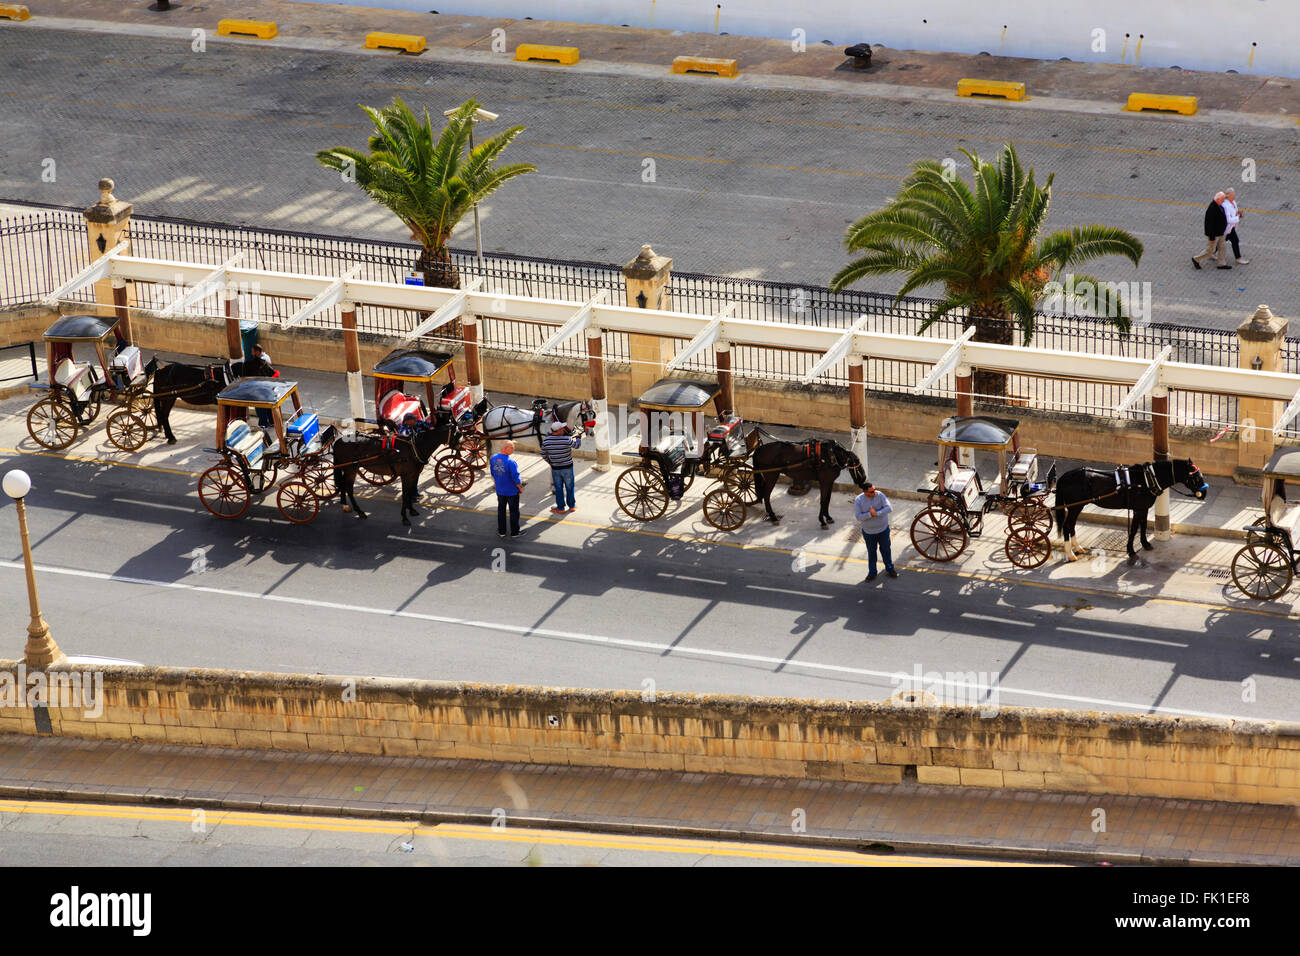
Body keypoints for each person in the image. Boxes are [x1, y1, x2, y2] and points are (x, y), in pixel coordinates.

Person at [854, 481, 897, 581]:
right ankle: (872, 572)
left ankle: (890, 568)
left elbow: (889, 508)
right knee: (871, 552)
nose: (875, 492)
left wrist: (876, 513)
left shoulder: (880, 495)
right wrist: (870, 514)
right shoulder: (858, 500)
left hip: (883, 530)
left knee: (886, 550)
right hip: (869, 533)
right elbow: (858, 517)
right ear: (865, 493)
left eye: (874, 489)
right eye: (872, 491)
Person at [541, 419, 581, 514]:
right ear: (558, 430)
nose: (563, 429)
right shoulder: (566, 439)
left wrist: (550, 462)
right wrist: (578, 438)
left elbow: (543, 454)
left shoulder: (546, 441)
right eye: (562, 428)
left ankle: (560, 507)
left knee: (558, 488)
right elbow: (576, 445)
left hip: (555, 469)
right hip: (567, 468)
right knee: (570, 487)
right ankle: (572, 506)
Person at [490, 440, 525, 538]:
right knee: (514, 512)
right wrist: (520, 488)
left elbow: (493, 473)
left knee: (501, 510)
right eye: (512, 447)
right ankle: (515, 532)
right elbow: (516, 478)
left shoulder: (493, 458)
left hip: (500, 490)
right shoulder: (510, 462)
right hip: (512, 492)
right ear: (505, 448)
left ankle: (502, 532)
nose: (513, 449)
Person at [1192, 192, 1231, 270]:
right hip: (1215, 234)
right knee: (1210, 250)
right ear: (1217, 199)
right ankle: (1196, 259)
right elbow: (1210, 225)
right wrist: (1212, 238)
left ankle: (1221, 263)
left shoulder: (1219, 205)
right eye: (1222, 200)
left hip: (1221, 232)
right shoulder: (1212, 209)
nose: (1223, 201)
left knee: (1222, 247)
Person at [248, 344, 276, 428]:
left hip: (262, 387)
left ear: (257, 352)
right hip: (268, 386)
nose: (252, 353)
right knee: (267, 405)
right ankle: (271, 421)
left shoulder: (261, 360)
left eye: (253, 352)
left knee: (260, 407)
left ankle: (263, 424)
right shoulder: (266, 357)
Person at [1223, 188, 1249, 265]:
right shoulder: (1226, 206)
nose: (1234, 196)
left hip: (1231, 227)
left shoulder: (1233, 202)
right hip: (1227, 227)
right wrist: (1237, 217)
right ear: (1228, 196)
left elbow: (1235, 211)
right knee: (1235, 241)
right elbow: (1228, 220)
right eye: (1233, 194)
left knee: (1222, 241)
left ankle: (1211, 252)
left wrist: (1238, 213)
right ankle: (1238, 258)